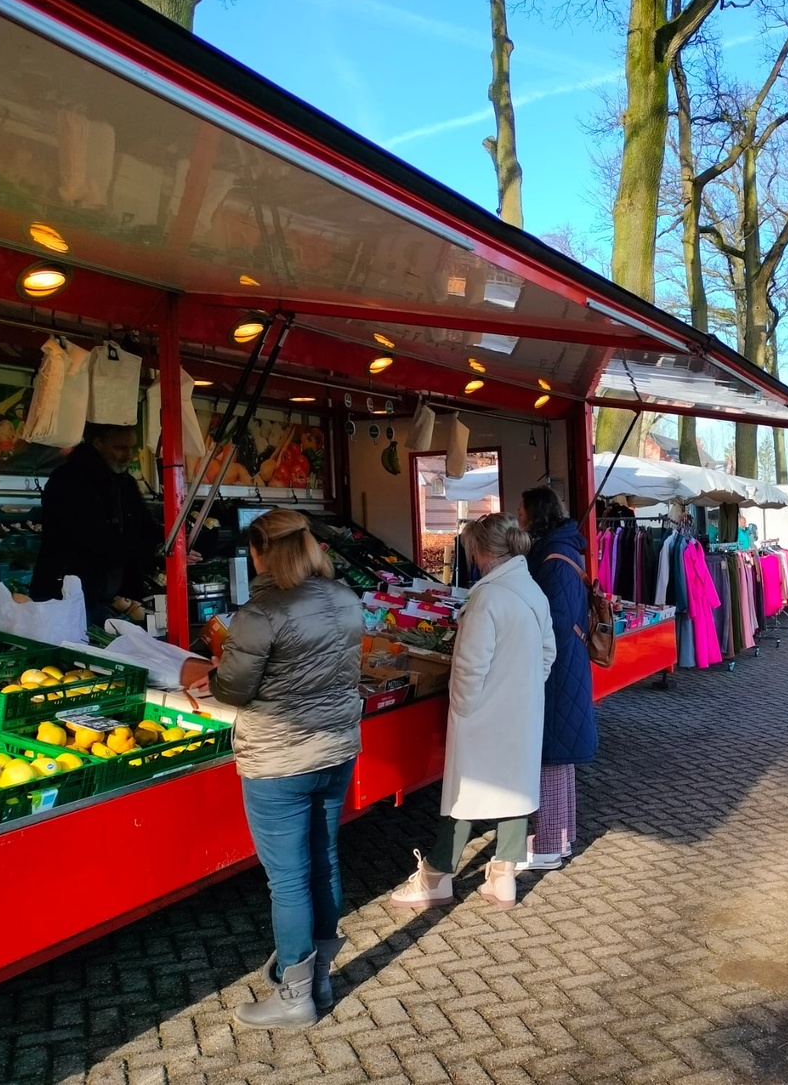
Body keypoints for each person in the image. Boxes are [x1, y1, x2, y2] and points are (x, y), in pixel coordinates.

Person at [203, 508, 363, 1030]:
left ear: (260, 551)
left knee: (289, 882)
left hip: (278, 763)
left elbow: (232, 689)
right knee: (326, 862)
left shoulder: (259, 613)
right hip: (337, 750)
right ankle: (319, 980)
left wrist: (213, 670)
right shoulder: (344, 599)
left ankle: (295, 997)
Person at [391, 514, 556, 913]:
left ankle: (436, 875)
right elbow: (548, 652)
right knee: (514, 787)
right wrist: (525, 687)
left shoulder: (487, 597)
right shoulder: (531, 589)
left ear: (481, 552)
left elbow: (468, 667)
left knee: (464, 794)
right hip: (521, 710)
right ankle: (503, 877)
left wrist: (463, 711)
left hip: (483, 714)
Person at [518, 487, 597, 871]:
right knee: (560, 756)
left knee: (549, 753)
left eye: (521, 510)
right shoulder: (564, 548)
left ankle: (548, 843)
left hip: (557, 668)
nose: (518, 516)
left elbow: (556, 621)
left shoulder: (550, 557)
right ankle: (562, 836)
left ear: (535, 515)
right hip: (569, 664)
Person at [30, 422, 164, 625]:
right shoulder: (67, 481)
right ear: (98, 443)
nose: (128, 456)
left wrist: (172, 543)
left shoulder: (125, 483)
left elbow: (144, 524)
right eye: (120, 448)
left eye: (131, 449)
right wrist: (146, 549)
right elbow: (91, 538)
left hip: (111, 595)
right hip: (69, 596)